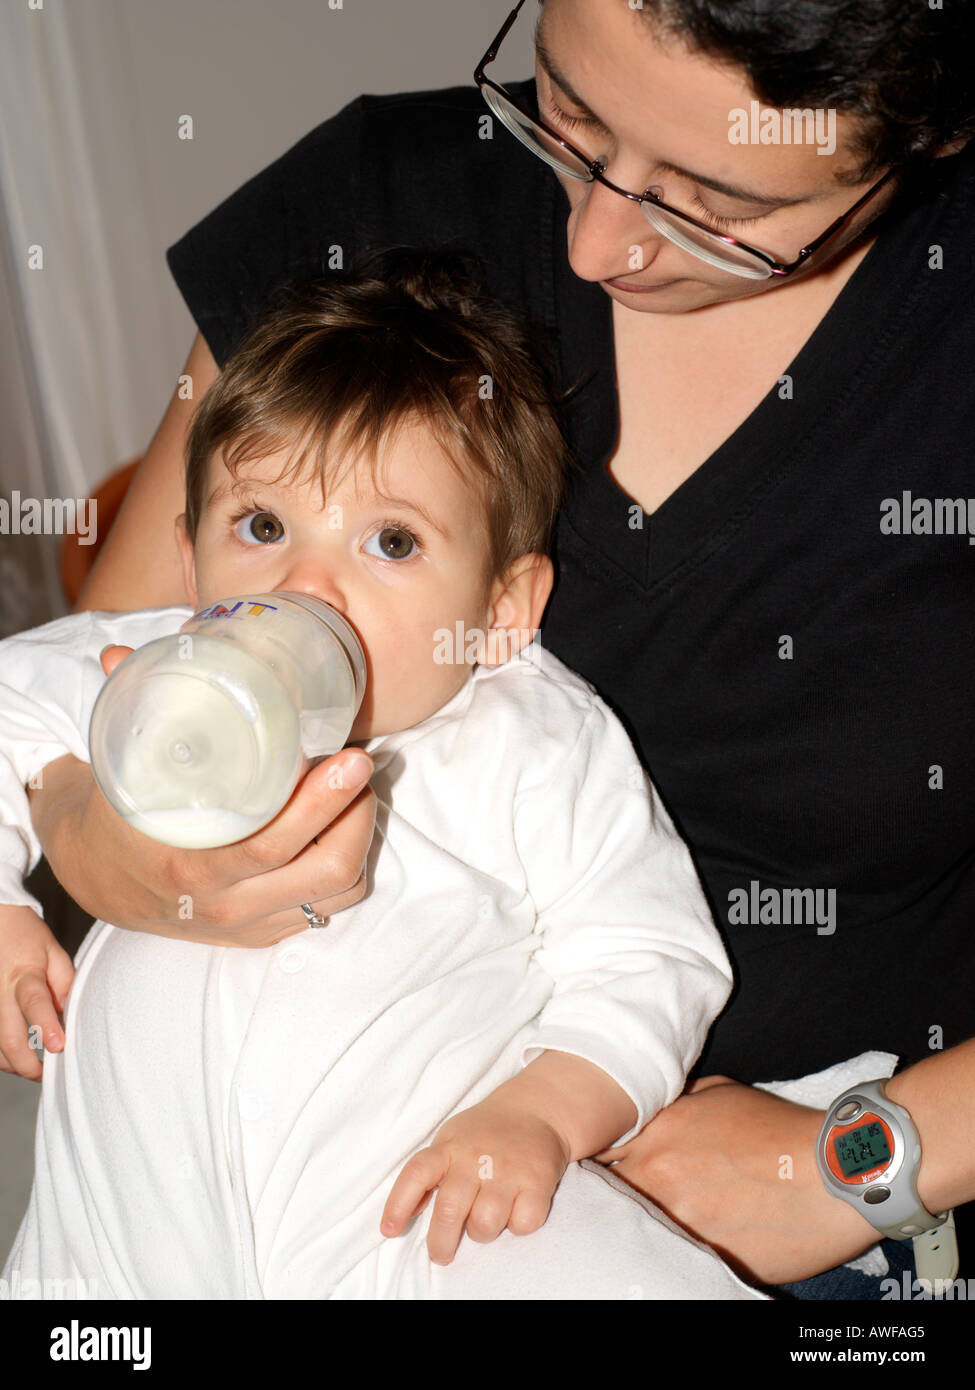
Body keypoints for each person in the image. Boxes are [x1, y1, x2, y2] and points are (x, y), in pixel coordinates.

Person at [8, 0, 975, 1297]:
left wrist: (859, 1160)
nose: (592, 242)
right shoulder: (371, 204)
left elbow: (648, 955)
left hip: (762, 1185)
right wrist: (76, 837)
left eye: (708, 201)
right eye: (564, 114)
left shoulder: (534, 734)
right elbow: (77, 669)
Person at [0, 252, 762, 1300]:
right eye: (261, 527)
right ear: (190, 564)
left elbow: (650, 958)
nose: (306, 583)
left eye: (390, 541)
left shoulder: (534, 740)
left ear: (501, 609)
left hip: (415, 1219)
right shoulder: (156, 669)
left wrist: (541, 1111)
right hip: (133, 1240)